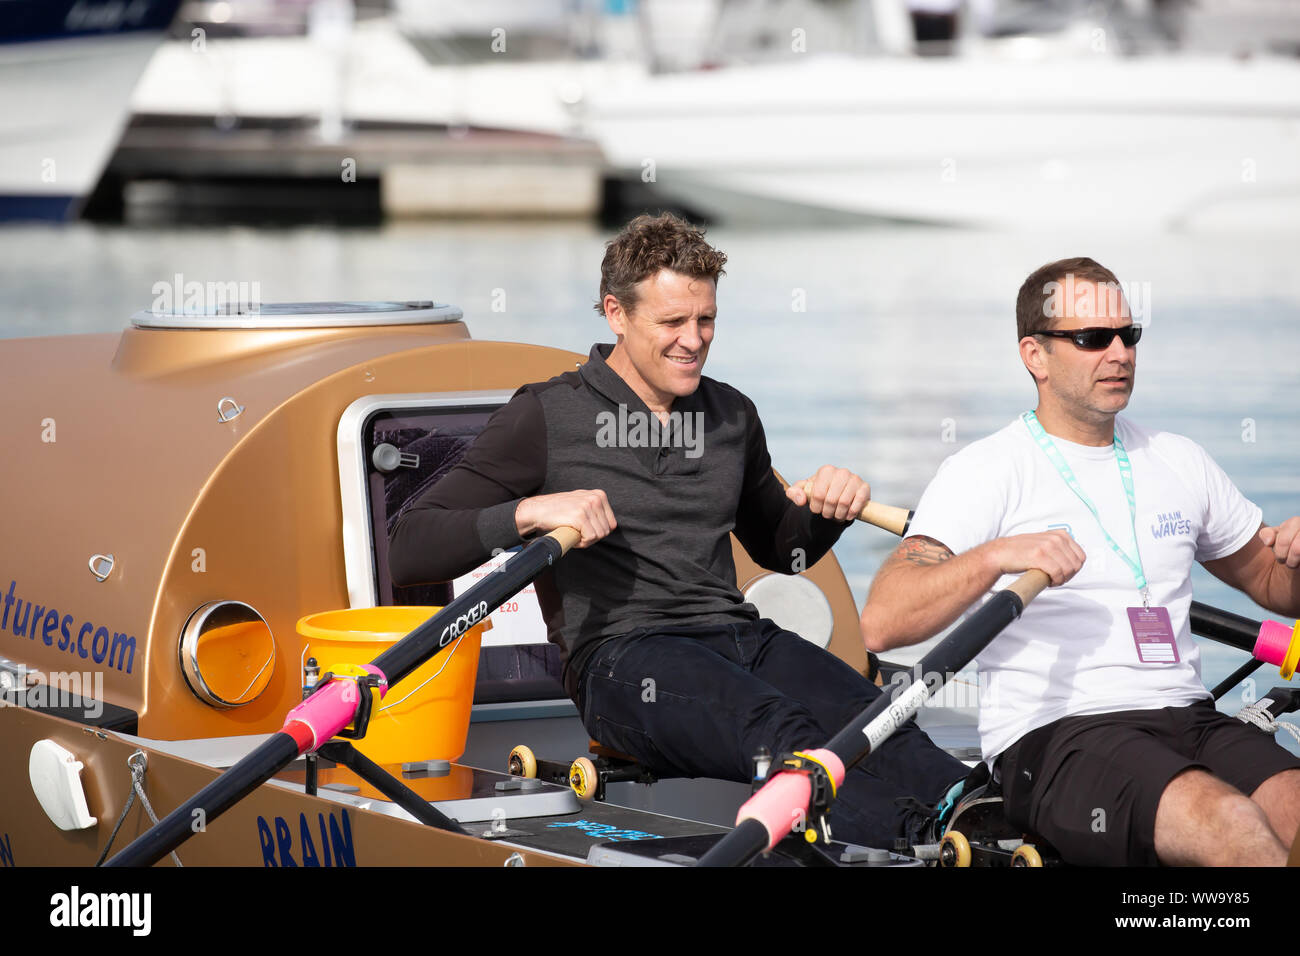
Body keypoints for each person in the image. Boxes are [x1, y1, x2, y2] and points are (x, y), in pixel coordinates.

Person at [389, 213, 967, 850]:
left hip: (737, 636)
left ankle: (979, 816)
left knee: (881, 718)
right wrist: (532, 512)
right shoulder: (546, 416)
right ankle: (929, 845)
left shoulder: (730, 415)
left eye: (706, 320)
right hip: (620, 661)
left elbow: (782, 548)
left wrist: (828, 511)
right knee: (779, 731)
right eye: (672, 322)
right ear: (616, 313)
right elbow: (411, 545)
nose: (693, 340)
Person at [860, 256, 1300, 866]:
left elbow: (1277, 587)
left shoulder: (1178, 459)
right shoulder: (987, 471)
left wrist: (1297, 559)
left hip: (1187, 716)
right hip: (1057, 738)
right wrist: (996, 557)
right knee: (1228, 821)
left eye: (1129, 335)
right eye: (1093, 339)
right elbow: (884, 620)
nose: (1119, 353)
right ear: (1034, 355)